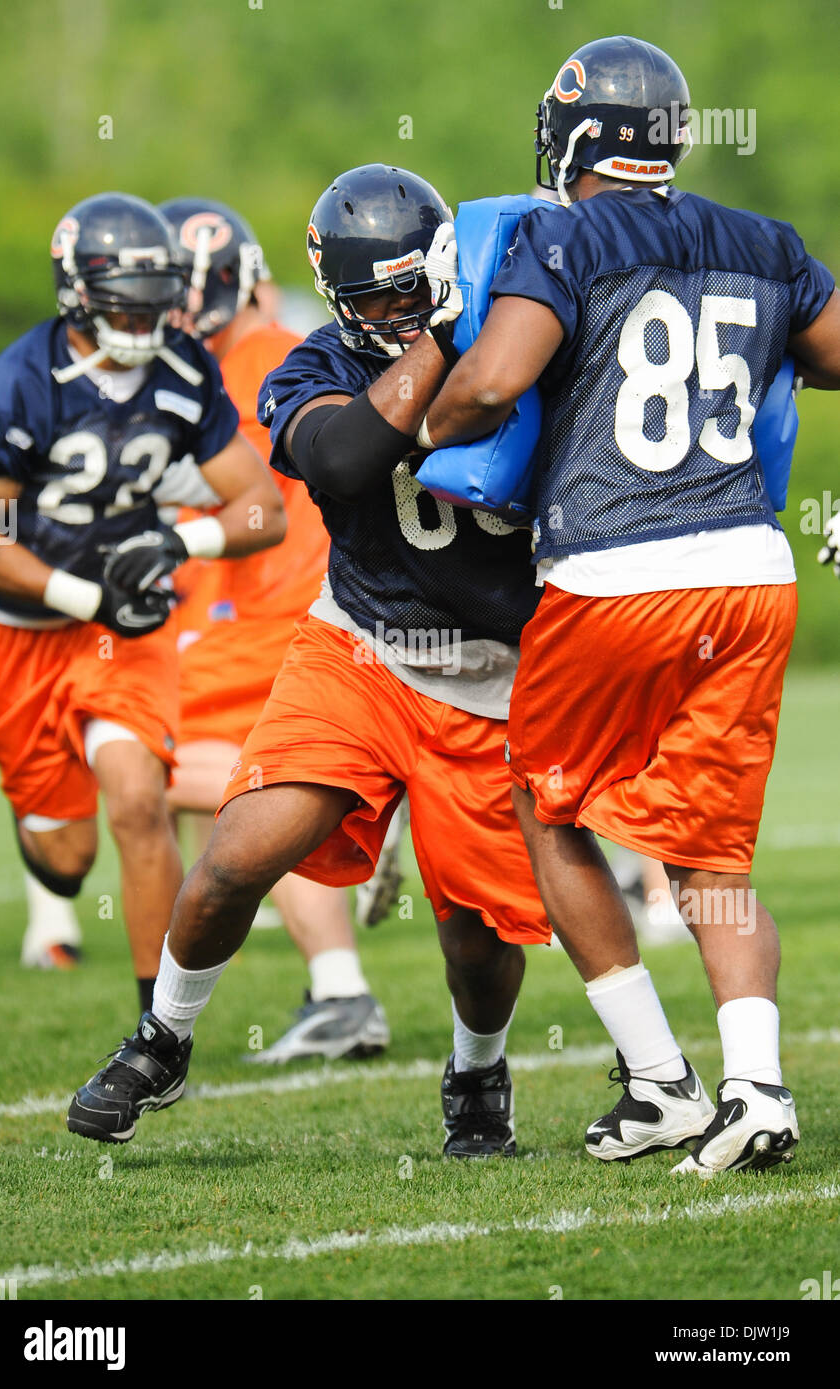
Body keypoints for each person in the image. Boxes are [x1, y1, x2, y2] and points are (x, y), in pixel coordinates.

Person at [67, 163, 551, 1157]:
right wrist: (440, 335)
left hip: (495, 671)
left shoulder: (523, 342)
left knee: (474, 932)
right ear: (335, 297)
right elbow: (338, 459)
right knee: (239, 853)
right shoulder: (314, 363)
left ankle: (477, 1070)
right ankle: (163, 1038)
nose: (396, 314)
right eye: (375, 299)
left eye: (415, 291)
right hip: (361, 648)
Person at [422, 36, 839, 1174]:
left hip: (617, 569)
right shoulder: (762, 241)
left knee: (546, 807)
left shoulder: (563, 235)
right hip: (748, 572)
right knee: (712, 856)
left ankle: (658, 1080)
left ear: (571, 141)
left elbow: (495, 379)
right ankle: (755, 1086)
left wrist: (429, 429)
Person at [0, 191, 286, 1010]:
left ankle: (160, 1029)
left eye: (156, 301)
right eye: (126, 304)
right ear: (78, 295)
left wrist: (181, 545)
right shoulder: (15, 386)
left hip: (122, 633)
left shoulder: (182, 372)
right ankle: (48, 828)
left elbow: (263, 509)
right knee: (67, 860)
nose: (145, 322)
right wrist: (90, 595)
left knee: (141, 800)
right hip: (20, 629)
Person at [158, 195, 390, 1061]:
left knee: (136, 748)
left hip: (277, 617)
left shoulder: (240, 368)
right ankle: (338, 986)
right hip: (311, 604)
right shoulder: (298, 347)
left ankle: (346, 810)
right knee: (246, 782)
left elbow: (234, 502)